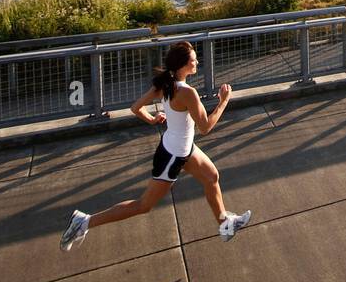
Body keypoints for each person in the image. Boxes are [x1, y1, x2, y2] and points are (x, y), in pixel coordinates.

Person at [59, 39, 251, 250]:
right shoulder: (187, 93)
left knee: (212, 177)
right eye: (194, 60)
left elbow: (135, 108)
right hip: (173, 157)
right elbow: (205, 127)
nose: (197, 62)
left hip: (182, 148)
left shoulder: (165, 84)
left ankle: (225, 224)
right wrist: (224, 100)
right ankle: (84, 222)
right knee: (143, 205)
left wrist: (152, 119)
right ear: (182, 65)